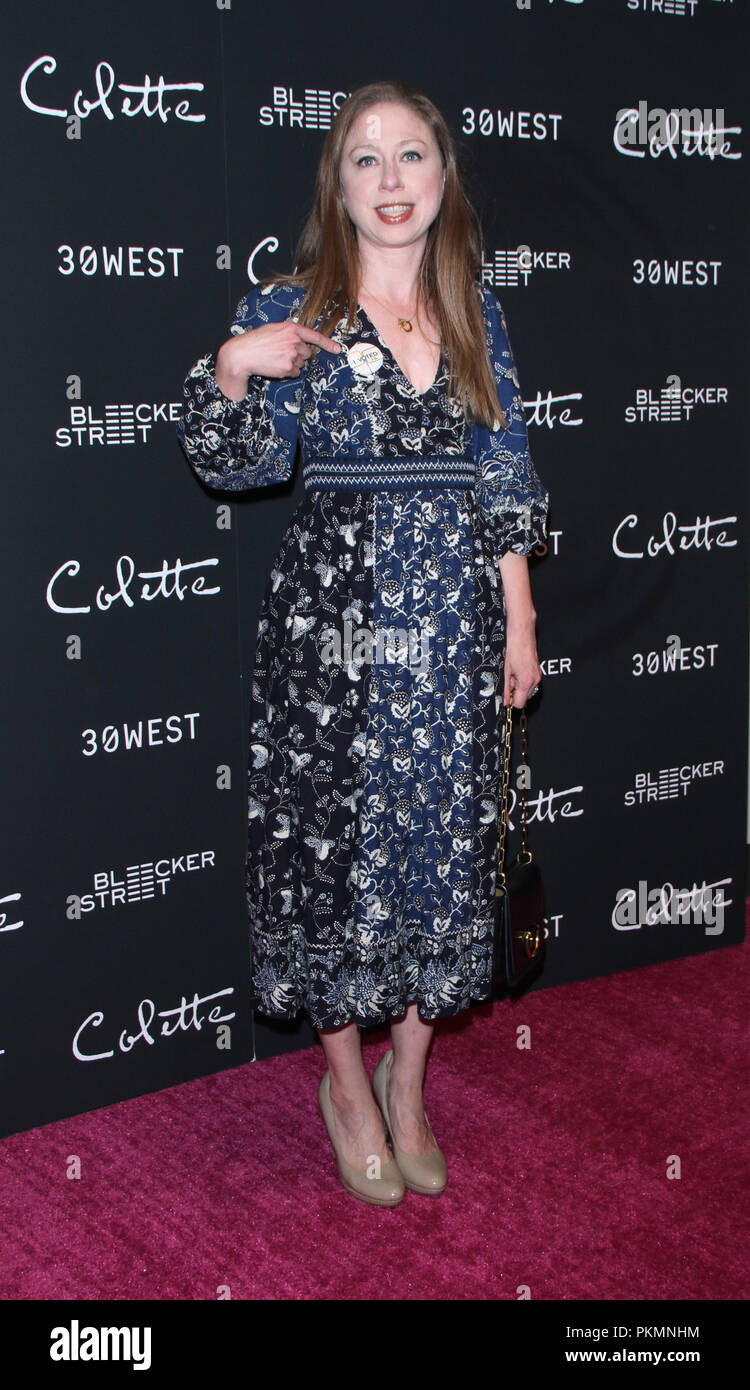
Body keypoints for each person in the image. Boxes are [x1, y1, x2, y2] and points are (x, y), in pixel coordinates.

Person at [176, 80, 549, 1208]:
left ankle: (410, 1078)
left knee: (443, 856)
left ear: (444, 180)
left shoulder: (479, 314)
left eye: (412, 157)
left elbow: (503, 471)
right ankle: (345, 1086)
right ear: (337, 188)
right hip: (328, 647)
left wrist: (519, 615)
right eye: (365, 161)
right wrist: (236, 367)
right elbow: (237, 465)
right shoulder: (298, 308)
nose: (391, 181)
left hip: (451, 641)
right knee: (327, 864)